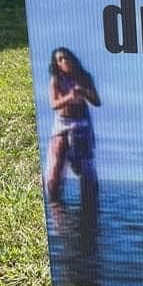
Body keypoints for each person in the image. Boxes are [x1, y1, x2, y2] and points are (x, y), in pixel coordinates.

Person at [46, 48, 101, 205]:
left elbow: (97, 101)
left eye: (66, 58)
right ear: (56, 64)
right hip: (61, 125)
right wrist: (70, 97)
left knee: (86, 171)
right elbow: (54, 104)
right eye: (60, 59)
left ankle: (89, 209)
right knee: (54, 169)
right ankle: (54, 204)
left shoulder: (84, 77)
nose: (64, 61)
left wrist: (83, 92)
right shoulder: (56, 80)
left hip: (81, 125)